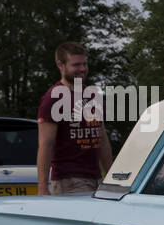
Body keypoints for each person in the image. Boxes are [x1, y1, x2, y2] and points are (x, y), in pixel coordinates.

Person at [37, 42, 112, 195]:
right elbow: (46, 145)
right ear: (61, 65)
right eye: (76, 65)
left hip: (96, 178)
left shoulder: (92, 95)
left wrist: (111, 177)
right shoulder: (54, 97)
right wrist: (42, 187)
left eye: (85, 64)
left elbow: (101, 138)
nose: (83, 69)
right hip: (69, 181)